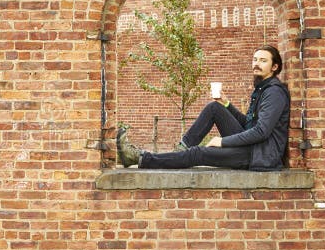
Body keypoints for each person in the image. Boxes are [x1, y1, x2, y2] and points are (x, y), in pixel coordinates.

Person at [119, 45, 290, 171]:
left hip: (259, 156)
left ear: (274, 67)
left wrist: (222, 141)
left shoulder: (274, 93)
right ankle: (181, 150)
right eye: (255, 59)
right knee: (214, 108)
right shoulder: (262, 89)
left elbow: (261, 131)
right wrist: (227, 104)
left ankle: (140, 158)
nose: (256, 64)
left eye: (263, 60)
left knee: (198, 154)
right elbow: (248, 124)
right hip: (253, 148)